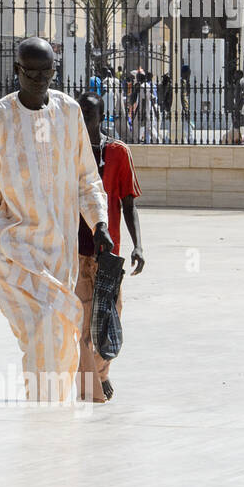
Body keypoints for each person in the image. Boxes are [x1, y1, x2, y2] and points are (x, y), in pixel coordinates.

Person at [0, 37, 111, 404]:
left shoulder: (68, 113)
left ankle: (49, 436)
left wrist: (100, 224)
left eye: (44, 72)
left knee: (61, 342)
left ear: (54, 71)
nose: (36, 79)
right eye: (28, 72)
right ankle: (46, 427)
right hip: (16, 260)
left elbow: (86, 178)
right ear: (17, 71)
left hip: (59, 258)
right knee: (44, 337)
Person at [74, 92, 143, 403]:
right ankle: (91, 384)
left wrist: (138, 246)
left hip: (108, 255)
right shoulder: (68, 154)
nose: (81, 121)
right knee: (80, 318)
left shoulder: (118, 153)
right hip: (75, 252)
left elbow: (128, 204)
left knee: (109, 317)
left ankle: (101, 373)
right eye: (78, 114)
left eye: (87, 115)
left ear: (100, 118)